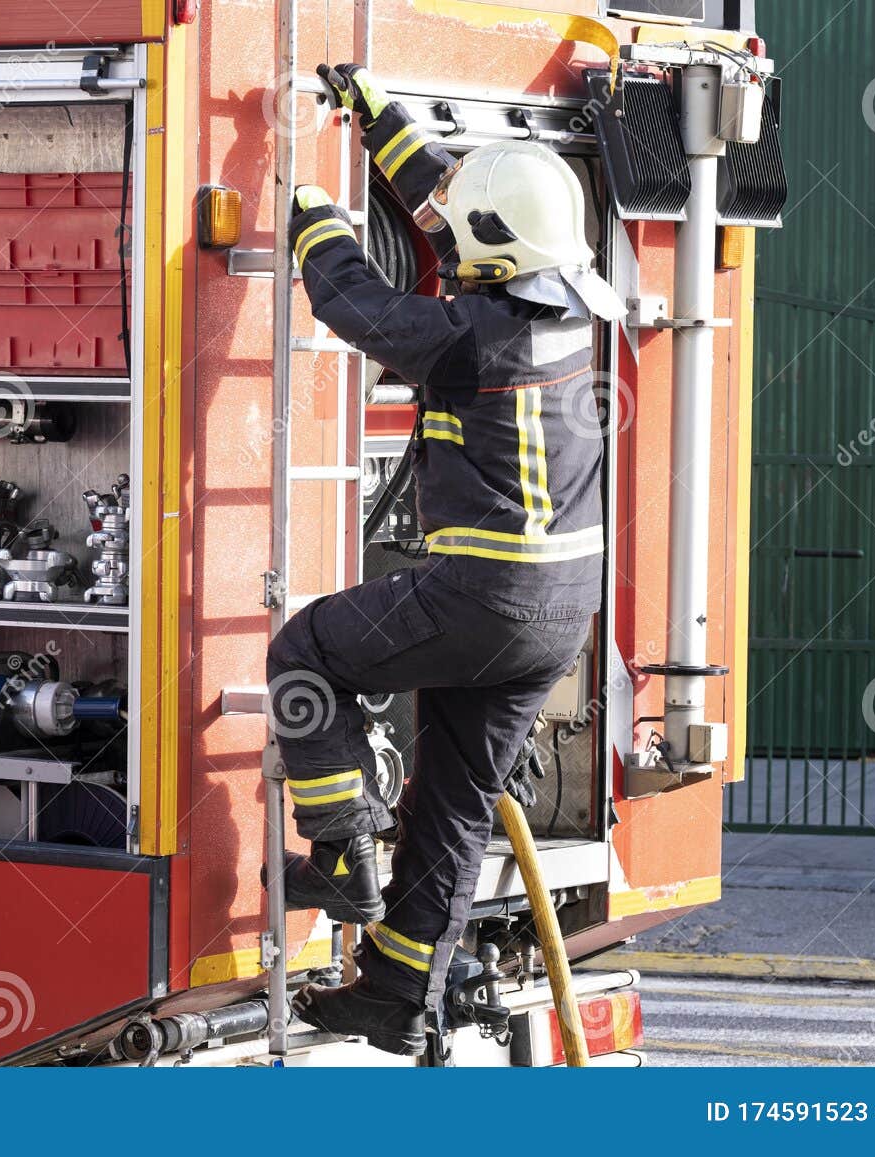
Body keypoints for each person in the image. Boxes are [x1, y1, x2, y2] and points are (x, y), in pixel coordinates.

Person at [265, 62, 625, 1056]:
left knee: (305, 649)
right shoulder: (559, 312)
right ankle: (394, 993)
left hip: (487, 596)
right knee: (453, 807)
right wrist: (381, 120)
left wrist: (307, 209)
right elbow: (454, 212)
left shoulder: (473, 340)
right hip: (556, 615)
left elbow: (354, 303)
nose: (452, 244)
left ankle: (339, 856)